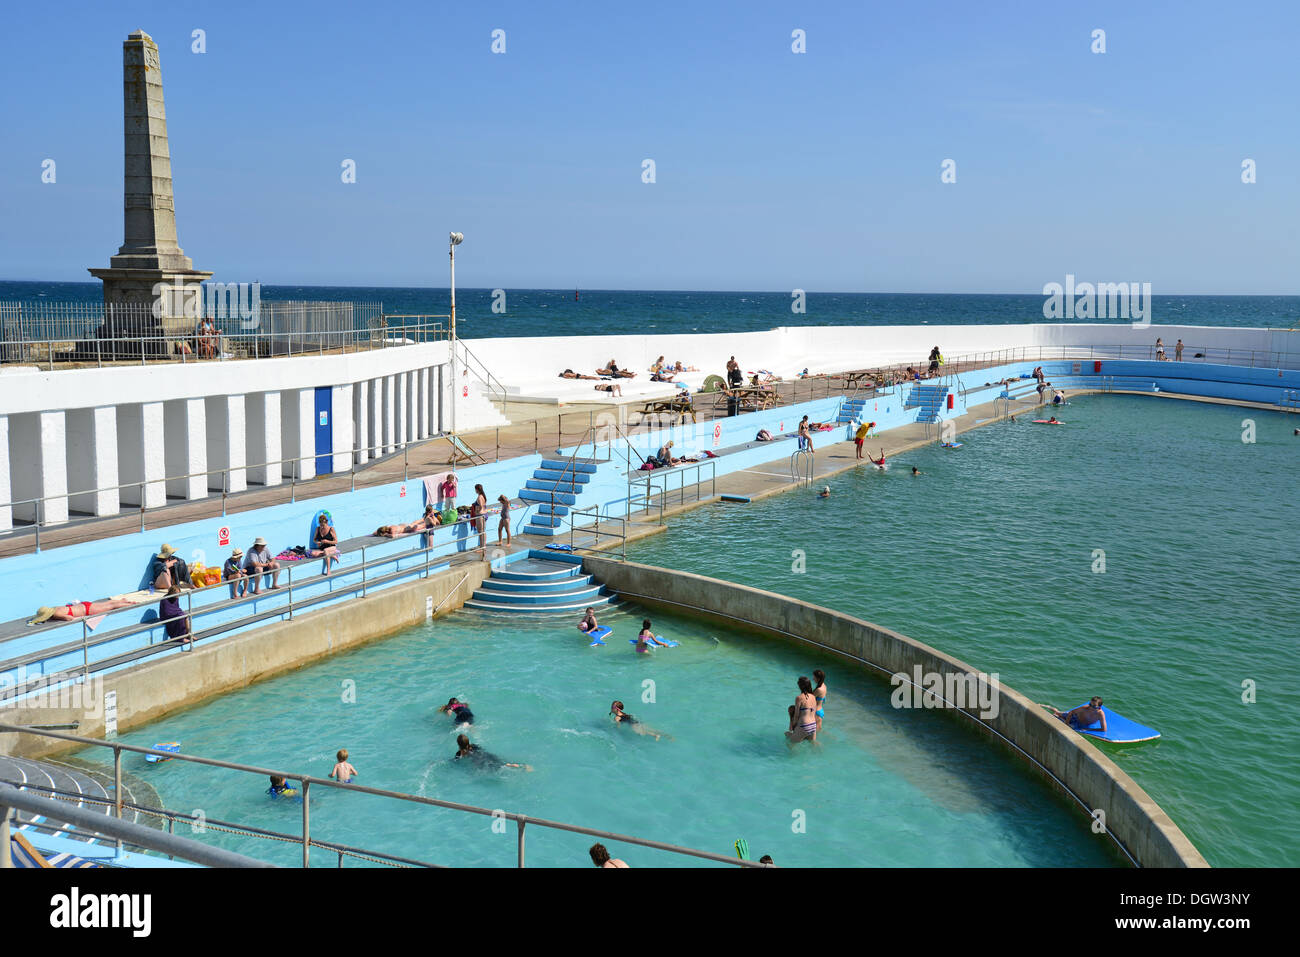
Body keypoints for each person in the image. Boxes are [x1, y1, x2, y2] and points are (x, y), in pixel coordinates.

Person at [28, 598, 134, 625]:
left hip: (87, 611)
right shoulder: (55, 608)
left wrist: (59, 618)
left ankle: (129, 604)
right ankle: (122, 601)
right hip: (84, 605)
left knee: (110, 607)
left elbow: (69, 618)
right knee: (106, 604)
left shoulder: (56, 613)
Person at [454, 733, 530, 770]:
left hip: (481, 761)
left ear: (458, 744)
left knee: (500, 768)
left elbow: (456, 762)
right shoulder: (474, 745)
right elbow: (482, 750)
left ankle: (519, 767)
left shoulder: (460, 753)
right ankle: (522, 766)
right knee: (504, 764)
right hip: (488, 755)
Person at [786, 676, 818, 744]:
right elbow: (814, 712)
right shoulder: (813, 697)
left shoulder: (799, 698)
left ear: (800, 686)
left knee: (790, 742)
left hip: (804, 725)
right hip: (813, 725)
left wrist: (793, 726)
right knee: (813, 744)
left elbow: (796, 715)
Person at [472, 484, 488, 552]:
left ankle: (482, 548)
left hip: (480, 515)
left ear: (477, 489)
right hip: (484, 514)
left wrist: (477, 511)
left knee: (481, 532)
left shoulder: (479, 497)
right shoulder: (483, 496)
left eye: (475, 489)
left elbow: (481, 506)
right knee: (483, 531)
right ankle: (483, 546)